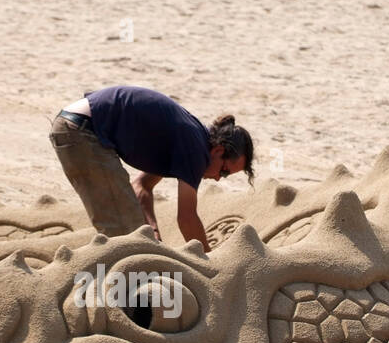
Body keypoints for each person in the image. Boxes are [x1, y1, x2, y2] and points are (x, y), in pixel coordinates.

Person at [49, 85, 254, 251]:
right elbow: (186, 218)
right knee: (128, 236)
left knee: (137, 236)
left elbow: (142, 186)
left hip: (76, 124)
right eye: (224, 171)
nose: (218, 178)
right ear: (218, 151)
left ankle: (129, 294)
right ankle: (130, 300)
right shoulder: (196, 150)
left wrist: (153, 230)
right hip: (82, 131)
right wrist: (211, 264)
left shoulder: (189, 141)